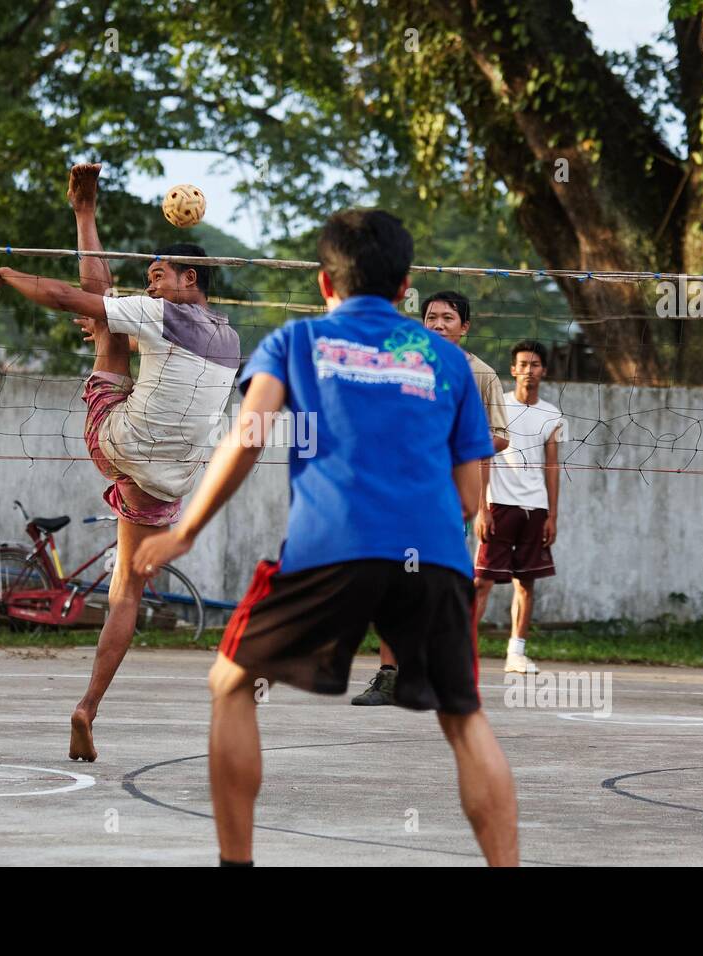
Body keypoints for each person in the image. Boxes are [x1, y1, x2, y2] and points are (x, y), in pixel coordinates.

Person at [132, 208, 519, 866]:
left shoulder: (296, 341)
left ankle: (237, 862)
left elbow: (248, 436)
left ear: (323, 283)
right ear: (406, 290)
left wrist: (187, 530)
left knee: (232, 683)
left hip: (330, 547)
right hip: (434, 553)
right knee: (463, 716)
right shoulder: (450, 364)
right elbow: (470, 497)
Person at [0, 163, 240, 761]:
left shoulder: (164, 314)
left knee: (106, 320)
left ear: (190, 277)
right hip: (169, 481)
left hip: (119, 444)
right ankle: (87, 706)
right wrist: (105, 318)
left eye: (160, 274)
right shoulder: (230, 338)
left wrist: (7, 272)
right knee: (126, 595)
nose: (153, 282)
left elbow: (68, 296)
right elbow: (110, 312)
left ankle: (83, 212)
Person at [352, 289, 509, 705]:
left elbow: (501, 436)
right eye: (431, 317)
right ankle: (388, 675)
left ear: (465, 327)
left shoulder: (480, 374)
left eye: (448, 318)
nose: (438, 324)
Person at [474, 340, 563, 674]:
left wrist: (553, 514)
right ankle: (463, 651)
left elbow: (552, 467)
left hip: (535, 508)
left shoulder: (553, 414)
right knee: (481, 581)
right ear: (513, 370)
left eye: (535, 364)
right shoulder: (501, 406)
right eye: (523, 364)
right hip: (499, 505)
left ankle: (516, 653)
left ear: (544, 370)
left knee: (526, 583)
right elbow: (484, 456)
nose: (529, 370)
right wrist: (482, 508)